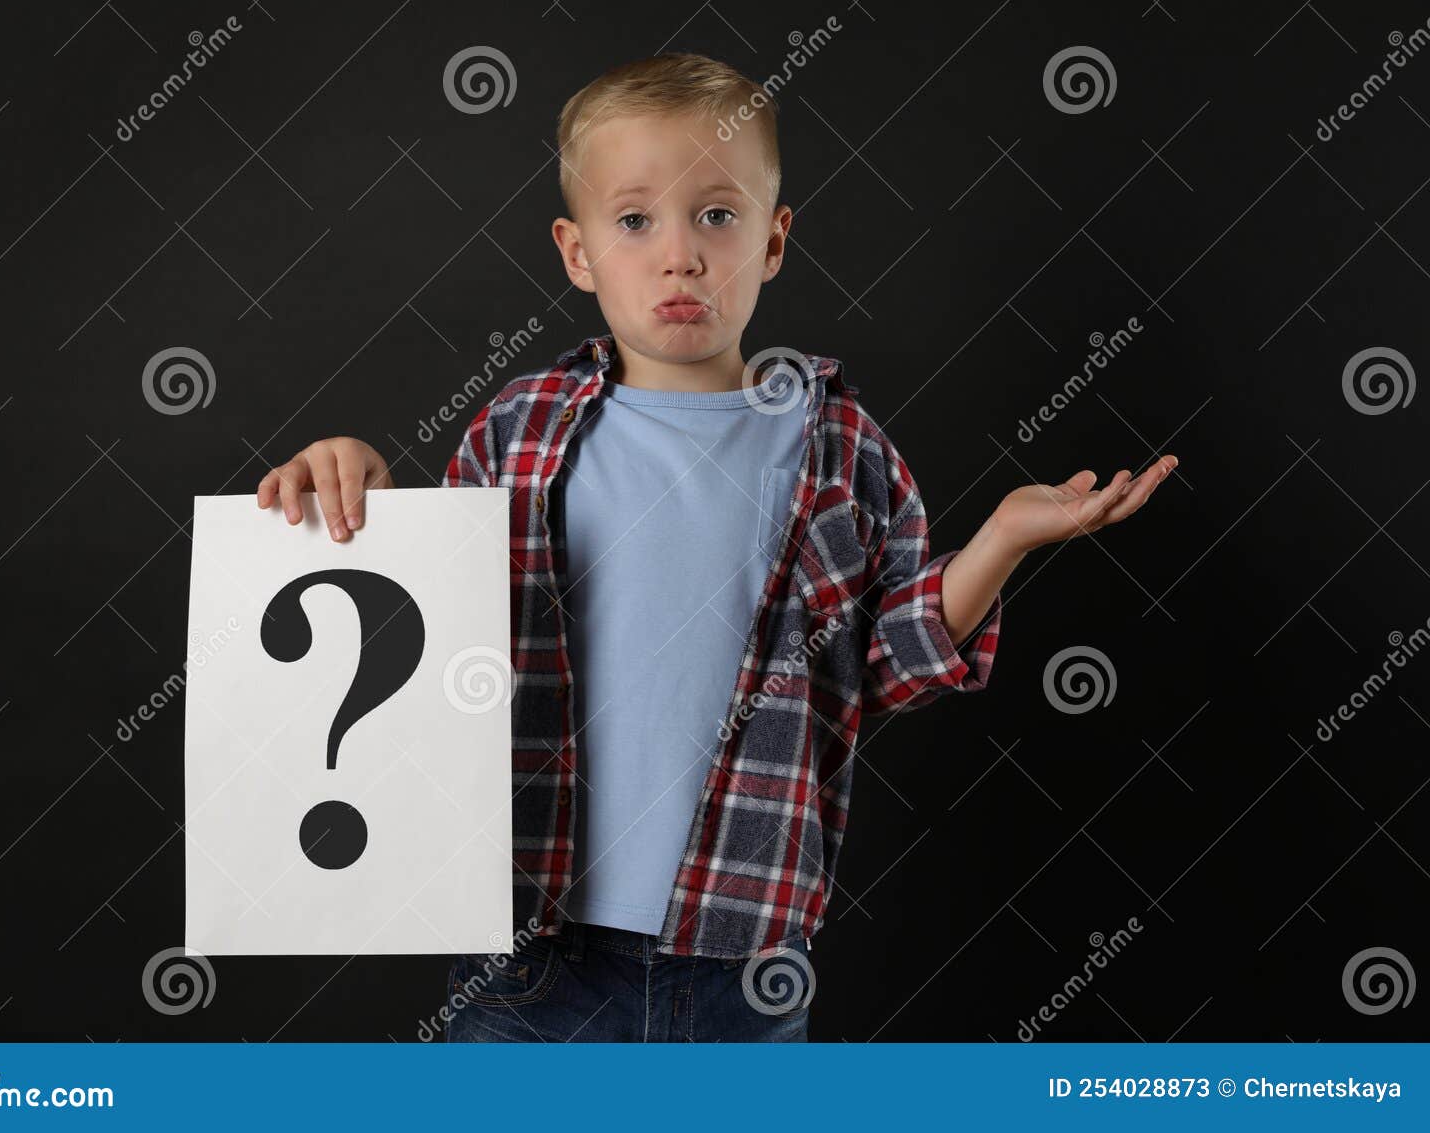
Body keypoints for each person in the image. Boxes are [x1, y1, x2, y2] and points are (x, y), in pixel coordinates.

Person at [254, 53, 1176, 1041]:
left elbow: (893, 661)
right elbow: (427, 635)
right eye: (635, 219)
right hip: (528, 949)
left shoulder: (836, 441)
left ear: (775, 241)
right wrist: (357, 477)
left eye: (718, 217)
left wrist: (1002, 538)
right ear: (577, 252)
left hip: (742, 958)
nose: (680, 255)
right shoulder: (517, 430)